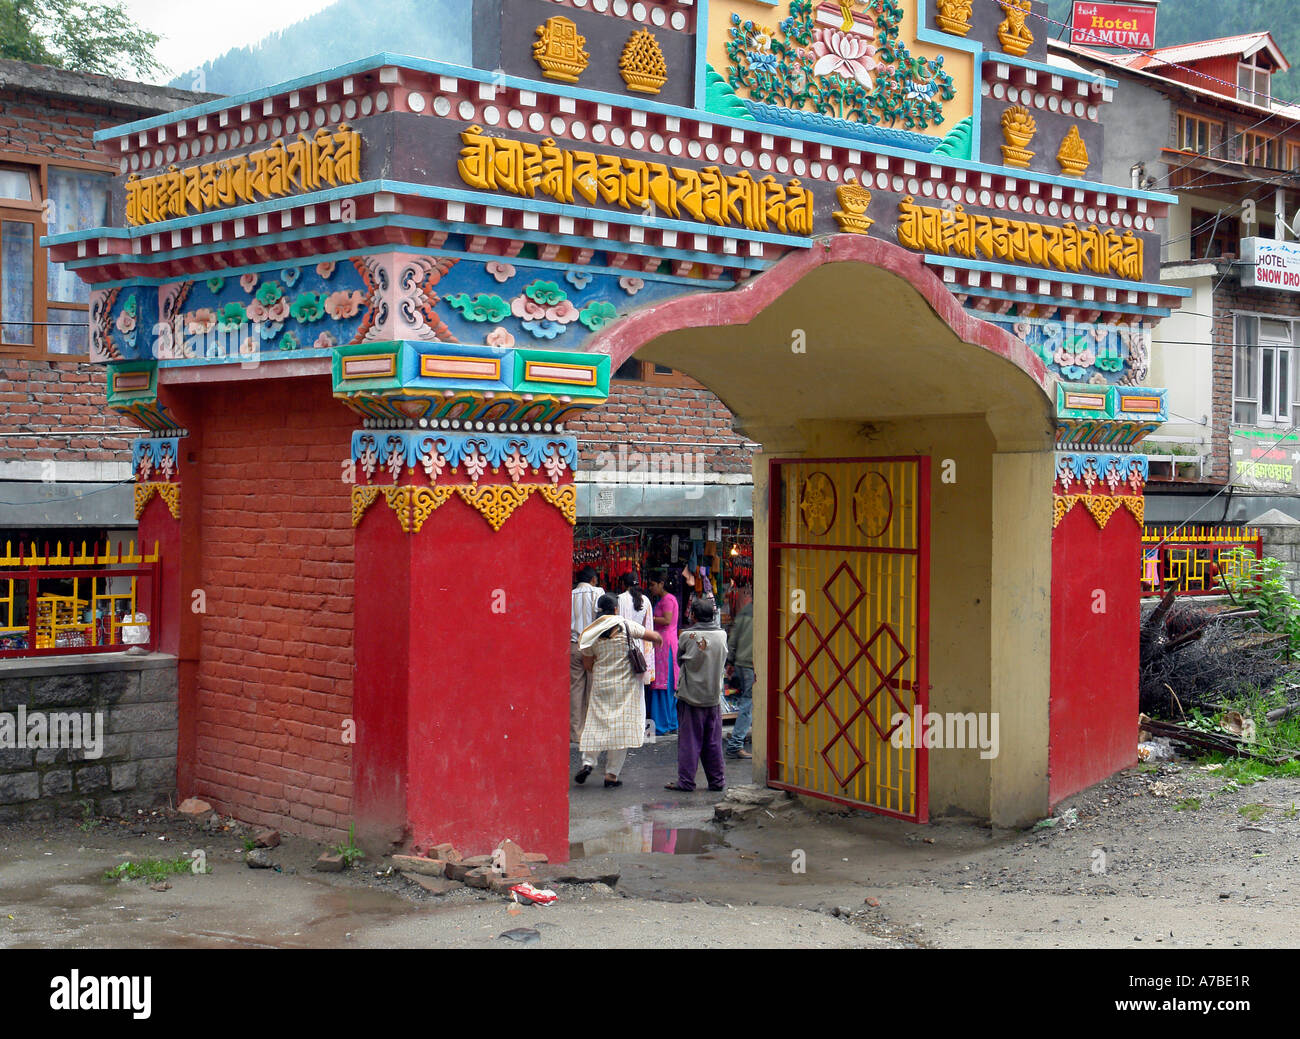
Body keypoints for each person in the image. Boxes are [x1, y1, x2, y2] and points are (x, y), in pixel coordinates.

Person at [576, 594, 663, 788]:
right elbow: (652, 636)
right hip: (625, 688)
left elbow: (588, 664)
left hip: (601, 685)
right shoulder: (625, 625)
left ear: (599, 610)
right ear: (616, 609)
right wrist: (659, 640)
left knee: (596, 724)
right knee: (621, 729)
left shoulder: (590, 633)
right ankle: (611, 775)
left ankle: (588, 763)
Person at [665, 599, 727, 792]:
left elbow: (679, 659)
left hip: (690, 696)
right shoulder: (722, 635)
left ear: (693, 615)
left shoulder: (687, 635)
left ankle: (686, 781)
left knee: (689, 742)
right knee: (713, 742)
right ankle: (717, 781)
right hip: (713, 696)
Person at [570, 566, 604, 743]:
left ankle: (576, 733)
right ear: (593, 579)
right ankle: (592, 731)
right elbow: (601, 619)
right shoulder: (597, 592)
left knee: (576, 689)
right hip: (591, 646)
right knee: (592, 689)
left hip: (574, 645)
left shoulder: (570, 594)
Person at [646, 570, 679, 737]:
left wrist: (648, 617)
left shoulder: (667, 600)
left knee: (662, 683)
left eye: (653, 585)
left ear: (661, 584)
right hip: (666, 642)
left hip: (664, 644)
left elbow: (666, 620)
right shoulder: (666, 599)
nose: (651, 588)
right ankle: (670, 722)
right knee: (667, 684)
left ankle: (662, 725)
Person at [725, 587, 754, 759]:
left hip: (743, 663)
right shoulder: (765, 611)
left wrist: (731, 661)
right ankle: (736, 743)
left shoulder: (745, 612)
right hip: (752, 663)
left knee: (747, 702)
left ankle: (738, 740)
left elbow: (733, 638)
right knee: (747, 704)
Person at [617, 571, 656, 692]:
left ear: (623, 584)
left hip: (622, 643)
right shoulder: (646, 601)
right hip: (640, 646)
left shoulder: (620, 599)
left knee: (623, 682)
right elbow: (648, 626)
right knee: (638, 685)